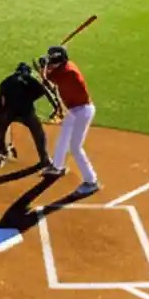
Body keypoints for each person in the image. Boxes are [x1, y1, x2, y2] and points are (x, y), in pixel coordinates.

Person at [40, 46, 99, 195]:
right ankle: (57, 167)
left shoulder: (68, 72)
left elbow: (48, 79)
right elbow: (49, 75)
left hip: (83, 111)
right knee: (63, 139)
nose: (51, 64)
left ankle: (91, 181)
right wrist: (46, 66)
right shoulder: (64, 67)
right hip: (74, 110)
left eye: (53, 62)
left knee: (75, 147)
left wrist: (44, 66)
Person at [0, 62, 60, 169]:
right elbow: (42, 91)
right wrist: (30, 98)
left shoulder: (6, 81)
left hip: (8, 111)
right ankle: (44, 158)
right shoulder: (29, 79)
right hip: (26, 111)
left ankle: (0, 152)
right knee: (38, 133)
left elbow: (1, 99)